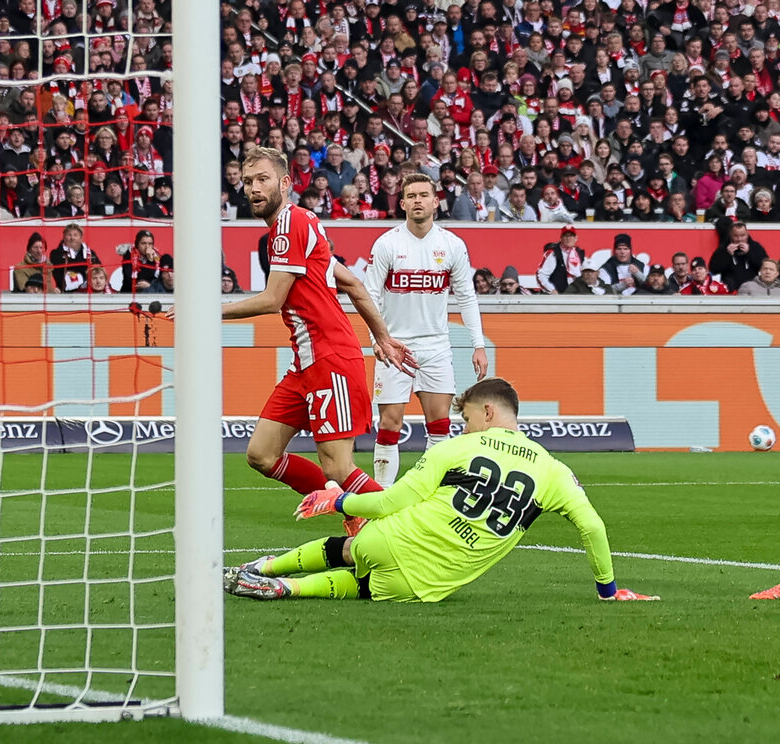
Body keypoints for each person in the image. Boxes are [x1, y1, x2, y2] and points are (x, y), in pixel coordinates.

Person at [223, 377, 660, 604]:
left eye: (468, 416)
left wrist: (336, 499)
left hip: (390, 539)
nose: (464, 425)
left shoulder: (460, 447)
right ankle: (289, 591)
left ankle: (265, 568)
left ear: (488, 412)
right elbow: (593, 527)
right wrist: (608, 590)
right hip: (430, 585)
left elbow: (391, 501)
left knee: (350, 549)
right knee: (365, 589)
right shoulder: (554, 471)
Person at [203, 147, 415, 536]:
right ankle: (350, 510)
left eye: (262, 179)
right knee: (261, 455)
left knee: (338, 467)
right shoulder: (303, 224)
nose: (253, 188)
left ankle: (405, 527)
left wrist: (205, 310)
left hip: (328, 358)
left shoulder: (289, 226)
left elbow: (273, 300)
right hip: (306, 364)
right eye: (248, 181)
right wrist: (381, 338)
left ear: (284, 183)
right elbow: (350, 282)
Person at [364, 173, 488, 489]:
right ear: (402, 202)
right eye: (411, 195)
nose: (418, 200)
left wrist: (478, 344)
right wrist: (376, 340)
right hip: (394, 347)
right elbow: (369, 296)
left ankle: (428, 494)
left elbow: (467, 297)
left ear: (435, 202)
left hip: (436, 346)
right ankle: (383, 496)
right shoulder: (387, 244)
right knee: (390, 424)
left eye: (424, 195)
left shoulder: (452, 245)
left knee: (440, 426)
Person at [709, 223, 768, 293]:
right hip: (730, 290)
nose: (740, 239)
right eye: (736, 236)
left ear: (747, 234)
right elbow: (713, 269)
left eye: (743, 235)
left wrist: (750, 253)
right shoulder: (723, 248)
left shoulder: (755, 247)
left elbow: (765, 266)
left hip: (751, 290)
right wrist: (727, 254)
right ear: (731, 235)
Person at [535, 224, 585, 294]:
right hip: (558, 296)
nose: (568, 238)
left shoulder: (579, 253)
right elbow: (541, 274)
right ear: (561, 238)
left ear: (576, 238)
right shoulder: (554, 253)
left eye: (571, 236)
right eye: (566, 236)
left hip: (575, 294)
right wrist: (551, 290)